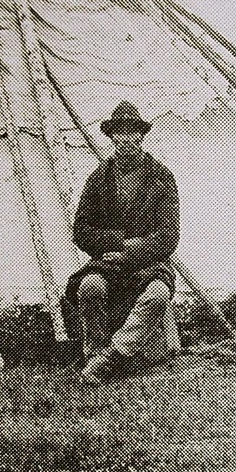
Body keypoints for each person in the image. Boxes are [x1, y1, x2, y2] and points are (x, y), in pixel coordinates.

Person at [63, 101, 179, 383]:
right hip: (107, 265)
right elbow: (80, 230)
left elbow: (169, 236)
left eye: (132, 132)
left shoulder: (161, 177)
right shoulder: (98, 178)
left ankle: (114, 356)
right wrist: (112, 245)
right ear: (112, 136)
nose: (126, 138)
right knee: (89, 286)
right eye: (119, 132)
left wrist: (127, 251)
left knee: (158, 295)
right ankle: (95, 352)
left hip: (148, 265)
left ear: (141, 136)